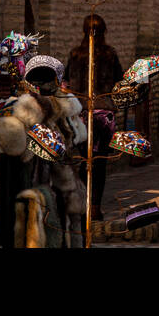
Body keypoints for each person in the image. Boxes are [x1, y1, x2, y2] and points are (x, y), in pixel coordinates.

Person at [63, 14, 125, 216]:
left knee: (84, 160)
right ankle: (95, 207)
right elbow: (120, 82)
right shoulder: (110, 55)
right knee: (99, 161)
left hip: (81, 114)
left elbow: (65, 83)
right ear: (104, 32)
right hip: (104, 115)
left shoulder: (75, 55)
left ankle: (83, 204)